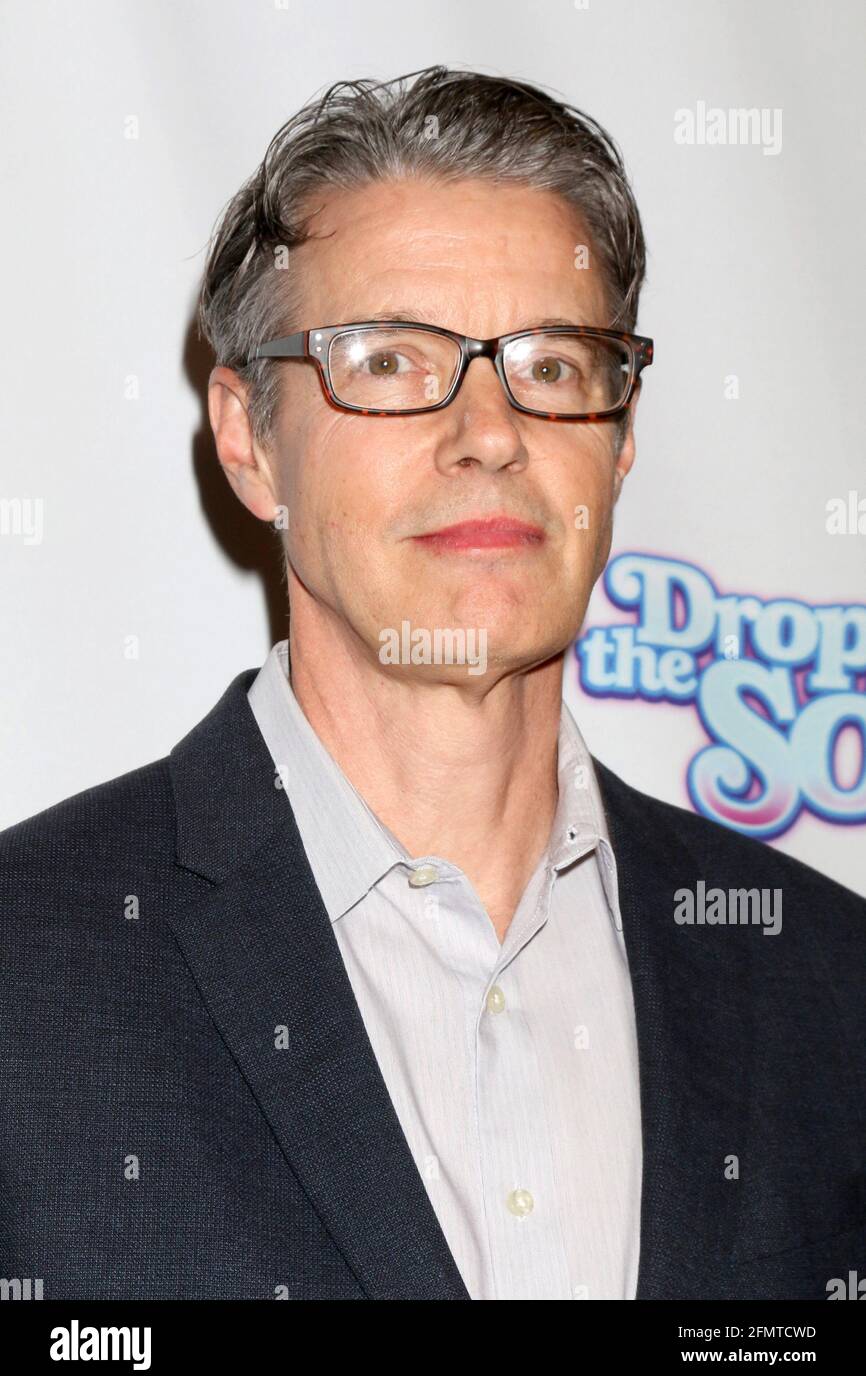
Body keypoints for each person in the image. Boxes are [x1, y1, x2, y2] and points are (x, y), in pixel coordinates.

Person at [1, 66, 863, 1302]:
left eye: (553, 364)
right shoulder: (26, 977)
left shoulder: (825, 984)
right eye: (393, 361)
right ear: (248, 441)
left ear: (619, 442)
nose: (489, 429)